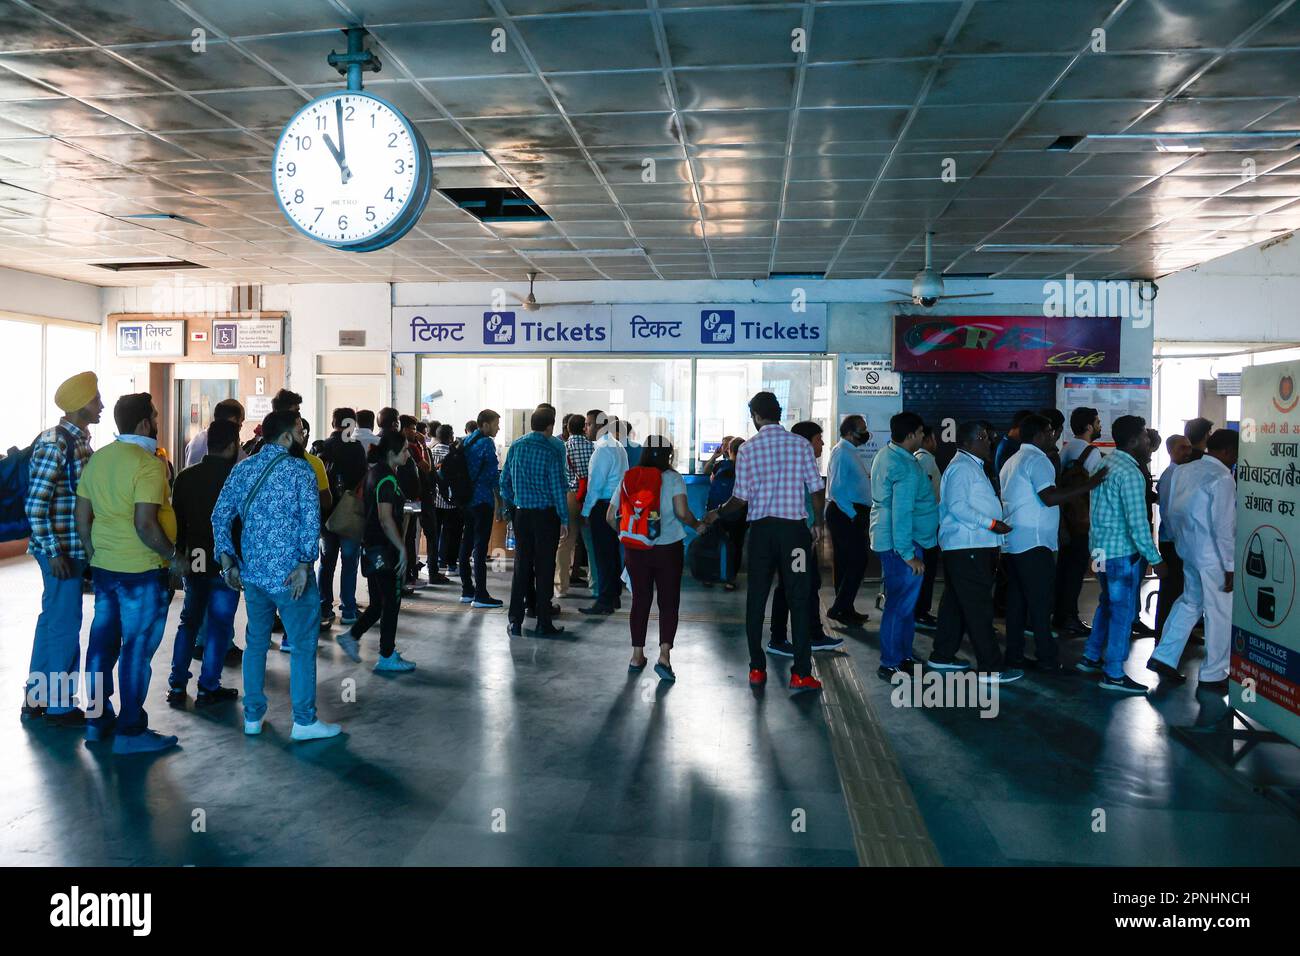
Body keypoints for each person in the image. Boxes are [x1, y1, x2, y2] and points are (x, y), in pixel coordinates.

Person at [212, 410, 341, 740]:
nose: (303, 436)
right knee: (301, 646)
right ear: (286, 436)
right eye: (299, 430)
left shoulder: (243, 468)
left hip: (253, 575)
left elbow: (219, 515)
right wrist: (303, 563)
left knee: (256, 643)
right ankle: (304, 720)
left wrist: (227, 560)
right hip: (291, 578)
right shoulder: (302, 470)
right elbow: (312, 523)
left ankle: (252, 717)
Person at [75, 393, 183, 754]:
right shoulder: (148, 464)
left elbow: (82, 516)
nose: (156, 421)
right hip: (142, 571)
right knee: (136, 650)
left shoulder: (99, 459)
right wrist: (175, 557)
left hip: (106, 570)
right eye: (154, 416)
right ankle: (131, 731)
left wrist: (95, 555)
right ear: (143, 424)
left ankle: (96, 721)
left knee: (102, 645)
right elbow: (146, 525)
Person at [705, 391, 825, 692]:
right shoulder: (800, 445)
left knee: (756, 598)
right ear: (779, 413)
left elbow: (740, 498)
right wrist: (819, 523)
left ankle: (757, 669)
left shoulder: (747, 449)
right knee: (798, 596)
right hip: (794, 533)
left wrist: (717, 513)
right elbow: (816, 488)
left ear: (756, 417)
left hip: (760, 534)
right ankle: (800, 672)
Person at [22, 370, 101, 725]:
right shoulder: (56, 443)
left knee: (52, 621)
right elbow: (36, 505)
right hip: (61, 552)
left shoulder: (80, 440)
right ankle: (58, 705)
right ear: (79, 406)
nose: (101, 404)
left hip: (70, 550)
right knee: (65, 624)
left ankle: (36, 698)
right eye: (95, 399)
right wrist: (53, 552)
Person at [1000, 413, 1104, 674]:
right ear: (1038, 435)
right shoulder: (1038, 460)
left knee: (1017, 603)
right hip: (1034, 543)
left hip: (1013, 541)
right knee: (1039, 602)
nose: (1054, 435)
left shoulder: (1012, 461)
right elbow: (1049, 497)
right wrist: (1089, 484)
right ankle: (1047, 657)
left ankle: (1014, 655)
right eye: (1050, 431)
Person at [1076, 415, 1168, 693]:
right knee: (1123, 612)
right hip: (1120, 555)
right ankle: (1114, 672)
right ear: (1132, 441)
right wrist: (1156, 559)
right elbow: (1137, 524)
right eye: (1143, 436)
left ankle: (1091, 655)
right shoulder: (1129, 473)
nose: (1147, 440)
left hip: (1101, 549)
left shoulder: (1107, 461)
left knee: (1108, 603)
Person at [1145, 429, 1239, 693]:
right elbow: (1224, 527)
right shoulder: (1221, 477)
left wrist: (1181, 542)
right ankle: (1213, 673)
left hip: (1187, 549)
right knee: (1220, 611)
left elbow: (1169, 510)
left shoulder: (1183, 471)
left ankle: (1164, 655)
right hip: (1214, 556)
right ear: (1229, 452)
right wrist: (1230, 566)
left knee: (1190, 601)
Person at [928, 421, 1021, 683]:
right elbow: (957, 507)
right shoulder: (961, 468)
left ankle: (942, 654)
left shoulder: (971, 466)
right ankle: (991, 668)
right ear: (971, 441)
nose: (990, 442)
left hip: (970, 547)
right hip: (968, 546)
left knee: (956, 604)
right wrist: (992, 523)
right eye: (985, 438)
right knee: (979, 608)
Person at [610, 435, 701, 680]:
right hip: (668, 549)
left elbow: (611, 515)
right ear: (669, 455)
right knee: (668, 602)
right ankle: (664, 656)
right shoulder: (673, 478)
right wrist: (698, 525)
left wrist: (627, 535)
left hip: (636, 550)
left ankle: (637, 655)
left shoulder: (630, 477)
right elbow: (682, 513)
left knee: (640, 599)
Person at [166, 418, 241, 707]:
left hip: (195, 558)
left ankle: (176, 684)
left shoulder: (185, 477)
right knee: (220, 625)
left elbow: (178, 524)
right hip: (227, 560)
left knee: (189, 620)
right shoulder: (236, 478)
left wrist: (179, 555)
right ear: (233, 445)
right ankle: (209, 685)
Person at [337, 429, 418, 672]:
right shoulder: (387, 478)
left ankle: (351, 636)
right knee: (391, 602)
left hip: (371, 547)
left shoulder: (376, 472)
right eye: (404, 450)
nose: (407, 454)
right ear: (392, 453)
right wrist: (402, 549)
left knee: (377, 604)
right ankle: (386, 655)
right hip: (384, 548)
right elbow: (385, 518)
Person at [868, 412, 939, 681]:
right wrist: (909, 555)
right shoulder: (906, 467)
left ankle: (903, 655)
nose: (923, 437)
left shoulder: (888, 455)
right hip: (903, 545)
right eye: (921, 433)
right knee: (899, 604)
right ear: (911, 435)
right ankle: (890, 661)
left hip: (894, 540)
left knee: (904, 605)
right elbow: (902, 512)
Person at [768, 421, 842, 657]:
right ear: (806, 441)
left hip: (794, 536)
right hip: (798, 538)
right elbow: (813, 497)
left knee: (803, 585)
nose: (822, 443)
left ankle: (804, 635)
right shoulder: (800, 465)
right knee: (799, 585)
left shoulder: (786, 465)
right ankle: (790, 637)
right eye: (819, 438)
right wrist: (815, 526)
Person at [500, 406, 569, 637]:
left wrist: (512, 506)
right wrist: (564, 518)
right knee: (545, 567)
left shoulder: (516, 446)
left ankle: (515, 621)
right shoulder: (550, 450)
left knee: (521, 567)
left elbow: (504, 481)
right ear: (550, 426)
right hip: (545, 516)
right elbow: (558, 489)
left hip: (522, 515)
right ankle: (543, 622)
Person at [1054, 406, 1105, 635]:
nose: (1100, 426)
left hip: (1065, 520)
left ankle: (1060, 614)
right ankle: (1070, 618)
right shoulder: (1091, 452)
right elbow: (1096, 489)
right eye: (1097, 422)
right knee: (1075, 573)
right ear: (1088, 426)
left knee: (1064, 570)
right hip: (1083, 521)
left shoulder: (1065, 449)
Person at [316, 407, 368, 628]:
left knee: (326, 563)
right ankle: (348, 609)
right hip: (349, 514)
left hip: (326, 515)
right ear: (352, 424)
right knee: (349, 562)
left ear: (333, 422)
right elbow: (363, 479)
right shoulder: (356, 448)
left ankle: (324, 608)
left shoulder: (322, 447)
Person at [580, 409, 629, 616]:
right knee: (612, 552)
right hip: (617, 505)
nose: (586, 428)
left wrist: (585, 511)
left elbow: (596, 486)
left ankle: (605, 600)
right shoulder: (618, 447)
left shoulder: (601, 450)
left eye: (589, 424)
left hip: (601, 505)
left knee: (602, 554)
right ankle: (614, 595)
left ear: (600, 426)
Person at [825, 415, 872, 625]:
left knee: (846, 563)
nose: (865, 433)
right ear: (850, 432)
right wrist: (854, 515)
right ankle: (839, 608)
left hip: (848, 512)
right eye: (862, 429)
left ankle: (845, 607)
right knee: (858, 560)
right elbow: (835, 489)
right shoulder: (842, 452)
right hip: (845, 513)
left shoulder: (849, 451)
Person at [459, 409, 503, 609]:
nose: (498, 428)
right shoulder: (486, 443)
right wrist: (500, 502)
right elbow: (494, 475)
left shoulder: (467, 441)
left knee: (466, 543)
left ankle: (467, 590)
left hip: (467, 500)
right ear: (485, 424)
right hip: (483, 500)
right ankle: (481, 594)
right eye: (495, 424)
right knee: (480, 547)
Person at [1153, 434, 1194, 639]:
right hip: (1173, 541)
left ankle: (1181, 631)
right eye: (1181, 448)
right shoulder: (1172, 474)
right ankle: (1163, 632)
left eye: (1188, 447)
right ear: (1170, 451)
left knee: (1182, 589)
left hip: (1179, 540)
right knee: (1171, 590)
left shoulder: (1183, 473)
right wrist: (1180, 540)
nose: (1187, 451)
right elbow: (1168, 511)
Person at [702, 435, 746, 589]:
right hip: (739, 512)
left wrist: (715, 456)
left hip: (716, 511)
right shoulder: (746, 468)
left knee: (713, 542)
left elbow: (706, 472)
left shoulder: (721, 465)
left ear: (729, 450)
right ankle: (730, 579)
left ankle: (709, 576)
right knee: (736, 544)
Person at [556, 413, 590, 597]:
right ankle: (594, 583)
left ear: (568, 429)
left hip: (570, 496)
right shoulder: (593, 447)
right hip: (588, 497)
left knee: (566, 541)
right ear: (584, 427)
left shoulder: (563, 448)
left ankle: (561, 586)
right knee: (590, 542)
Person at [913, 424, 942, 633]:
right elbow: (925, 494)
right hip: (925, 526)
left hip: (925, 524)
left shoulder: (919, 459)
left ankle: (920, 610)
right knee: (927, 571)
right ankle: (920, 612)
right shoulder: (925, 460)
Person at [430, 423, 463, 575]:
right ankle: (450, 565)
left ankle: (435, 563)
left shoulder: (430, 451)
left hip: (435, 500)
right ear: (450, 437)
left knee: (435, 533)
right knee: (452, 534)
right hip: (451, 501)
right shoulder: (454, 453)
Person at [183, 398, 245, 467]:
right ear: (233, 420)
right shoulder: (228, 442)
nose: (241, 426)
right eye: (241, 421)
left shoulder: (195, 441)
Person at [993, 410, 1032, 476]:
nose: (1030, 433)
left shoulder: (1010, 443)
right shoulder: (1009, 449)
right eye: (1029, 429)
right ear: (1021, 426)